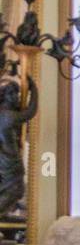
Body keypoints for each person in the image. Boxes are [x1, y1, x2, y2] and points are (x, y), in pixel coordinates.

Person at [0, 76, 37, 224]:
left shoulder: (4, 113)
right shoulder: (8, 116)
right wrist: (34, 90)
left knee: (10, 189)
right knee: (15, 189)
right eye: (12, 94)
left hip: (6, 157)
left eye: (16, 94)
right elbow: (30, 112)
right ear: (4, 96)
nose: (15, 97)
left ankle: (4, 212)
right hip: (9, 159)